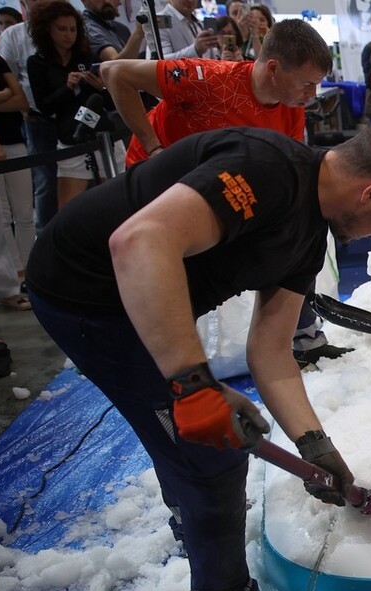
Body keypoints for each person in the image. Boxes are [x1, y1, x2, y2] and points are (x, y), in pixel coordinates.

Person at [25, 126, 371, 591]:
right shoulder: (265, 169)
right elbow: (140, 241)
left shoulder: (308, 239)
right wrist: (194, 386)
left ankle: (189, 512)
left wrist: (314, 444)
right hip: (89, 297)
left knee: (189, 432)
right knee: (212, 457)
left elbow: (271, 351)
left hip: (141, 300)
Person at [103, 19, 344, 367]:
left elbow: (288, 171)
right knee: (182, 269)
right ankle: (168, 359)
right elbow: (115, 72)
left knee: (288, 238)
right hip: (161, 184)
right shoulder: (205, 78)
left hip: (222, 184)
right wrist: (154, 148)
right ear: (274, 68)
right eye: (307, 84)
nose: (312, 95)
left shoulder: (291, 110)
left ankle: (304, 336)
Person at [27, 1, 125, 209]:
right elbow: (45, 107)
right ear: (46, 29)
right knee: (68, 209)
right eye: (61, 29)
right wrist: (67, 87)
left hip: (102, 134)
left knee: (117, 201)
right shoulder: (38, 63)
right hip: (70, 138)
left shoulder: (86, 57)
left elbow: (108, 102)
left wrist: (101, 87)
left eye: (72, 29)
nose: (68, 35)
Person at [0, 0, 59, 233]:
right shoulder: (13, 36)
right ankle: (46, 239)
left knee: (85, 178)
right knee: (47, 184)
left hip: (73, 115)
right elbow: (9, 80)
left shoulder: (65, 24)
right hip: (36, 119)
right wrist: (22, 108)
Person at [0, 45, 34, 305]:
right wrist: (4, 94)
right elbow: (11, 95)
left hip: (13, 138)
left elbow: (20, 100)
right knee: (0, 217)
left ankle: (29, 269)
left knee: (24, 211)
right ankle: (10, 281)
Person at [81, 0, 147, 62]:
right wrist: (139, 32)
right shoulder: (88, 28)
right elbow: (117, 64)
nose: (118, 2)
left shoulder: (122, 29)